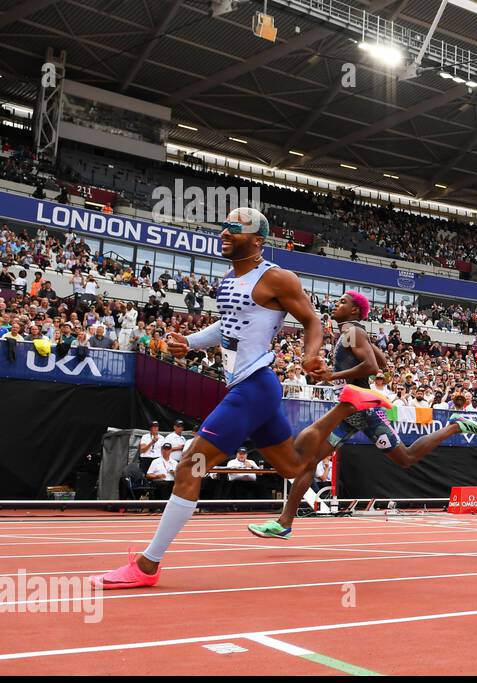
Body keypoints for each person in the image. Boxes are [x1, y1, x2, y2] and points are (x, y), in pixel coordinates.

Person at [92, 207, 390, 589]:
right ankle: (348, 405)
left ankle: (147, 566)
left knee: (189, 466)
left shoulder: (277, 278)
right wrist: (192, 343)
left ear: (259, 240)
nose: (225, 233)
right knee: (292, 467)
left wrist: (309, 354)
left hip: (254, 386)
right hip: (251, 388)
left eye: (235, 229)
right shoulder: (229, 280)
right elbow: (228, 327)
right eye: (225, 228)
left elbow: (313, 320)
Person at [248, 291, 477, 540]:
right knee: (312, 461)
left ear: (354, 310)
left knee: (402, 458)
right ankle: (284, 522)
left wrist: (332, 376)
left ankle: (454, 426)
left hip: (361, 407)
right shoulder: (353, 332)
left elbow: (371, 367)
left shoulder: (351, 330)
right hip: (351, 408)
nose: (335, 304)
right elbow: (380, 362)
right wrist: (365, 349)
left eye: (342, 302)